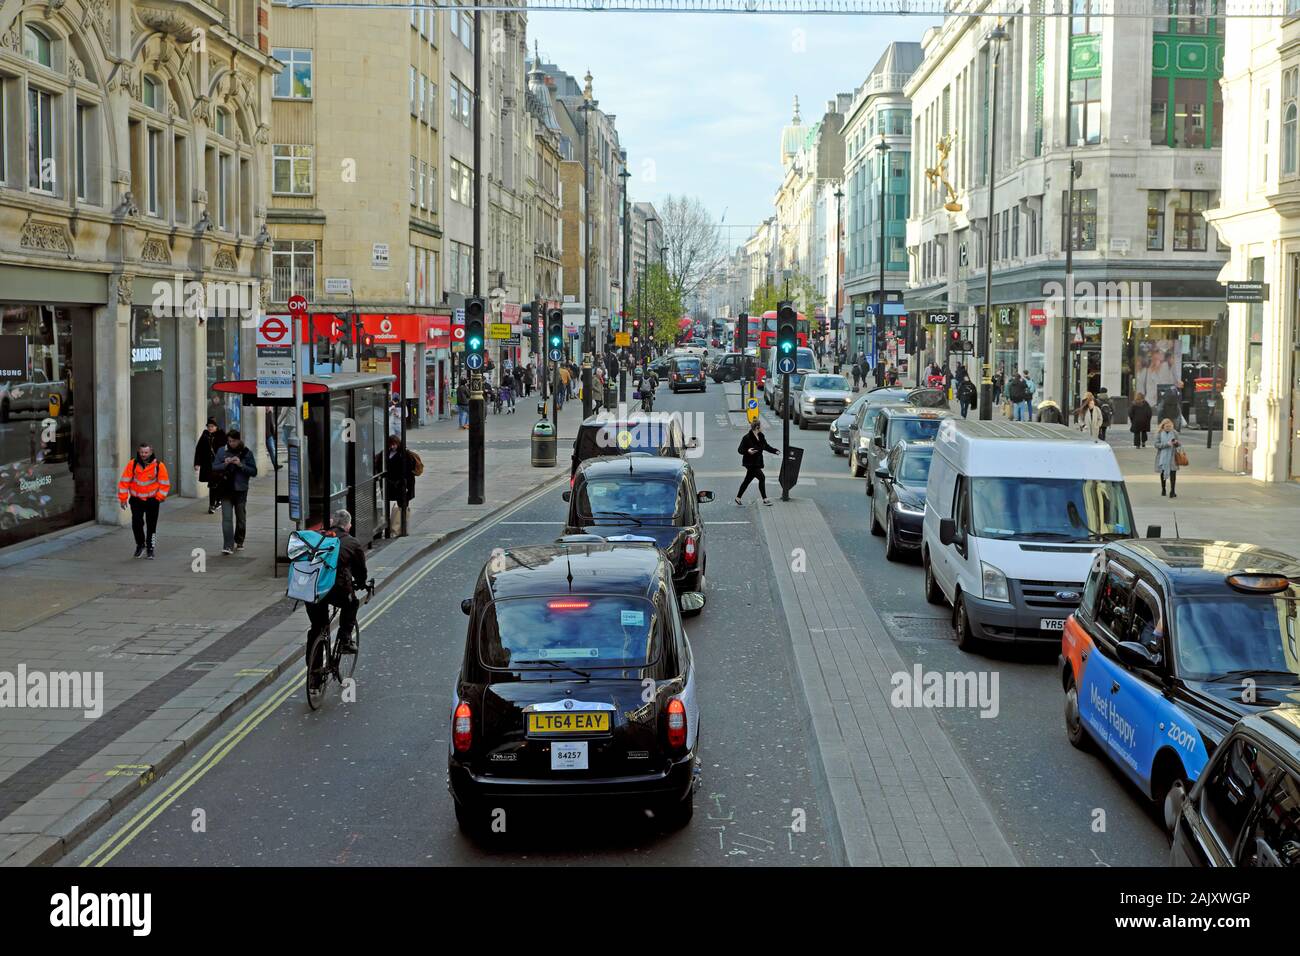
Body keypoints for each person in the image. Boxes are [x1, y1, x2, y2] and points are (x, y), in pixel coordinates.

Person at [305, 509, 369, 656]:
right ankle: (345, 640)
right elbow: (360, 571)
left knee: (317, 627)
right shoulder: (352, 542)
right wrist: (361, 583)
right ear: (348, 526)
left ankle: (314, 672)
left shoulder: (318, 538)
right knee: (352, 603)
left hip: (313, 589)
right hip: (336, 590)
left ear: (332, 523)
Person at [118, 442, 170, 559]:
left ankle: (150, 548)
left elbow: (165, 484)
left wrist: (159, 498)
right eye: (141, 452)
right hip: (136, 500)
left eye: (146, 452)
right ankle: (140, 545)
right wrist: (123, 499)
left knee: (152, 526)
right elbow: (124, 482)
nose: (143, 454)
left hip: (152, 500)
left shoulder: (159, 465)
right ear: (138, 452)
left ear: (151, 452)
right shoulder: (133, 464)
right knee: (137, 524)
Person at [211, 429, 257, 556]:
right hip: (225, 489)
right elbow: (214, 467)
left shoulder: (247, 453)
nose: (231, 443)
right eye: (229, 441)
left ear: (239, 440)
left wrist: (241, 465)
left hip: (240, 490)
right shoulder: (222, 451)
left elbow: (254, 471)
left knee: (241, 518)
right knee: (226, 518)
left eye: (234, 441)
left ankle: (239, 540)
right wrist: (224, 464)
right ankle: (228, 545)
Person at [734, 418, 779, 506]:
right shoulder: (746, 438)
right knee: (762, 478)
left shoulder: (761, 436)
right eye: (761, 426)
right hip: (750, 463)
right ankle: (765, 499)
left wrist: (775, 451)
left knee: (747, 480)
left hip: (757, 462)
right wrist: (748, 451)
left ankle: (738, 498)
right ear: (757, 427)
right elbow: (740, 450)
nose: (763, 427)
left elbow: (766, 446)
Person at [381, 434, 416, 535]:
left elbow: (409, 471)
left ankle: (403, 529)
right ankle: (396, 529)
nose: (393, 447)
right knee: (396, 505)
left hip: (402, 485)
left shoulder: (404, 454)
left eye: (394, 444)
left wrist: (407, 486)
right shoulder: (386, 453)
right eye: (391, 445)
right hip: (391, 484)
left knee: (403, 505)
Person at [193, 419, 226, 514]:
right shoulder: (205, 435)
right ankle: (211, 506)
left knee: (218, 484)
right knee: (212, 484)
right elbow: (198, 449)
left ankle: (218, 500)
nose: (210, 428)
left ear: (216, 427)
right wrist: (197, 463)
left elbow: (226, 450)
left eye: (212, 426)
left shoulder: (221, 435)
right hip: (208, 464)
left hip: (219, 464)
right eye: (209, 426)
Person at [1154, 418, 1182, 498]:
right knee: (1163, 473)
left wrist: (1176, 443)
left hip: (1173, 457)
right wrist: (1167, 444)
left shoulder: (1175, 433)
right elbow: (1156, 445)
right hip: (1162, 457)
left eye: (1170, 426)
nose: (1169, 428)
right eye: (1167, 426)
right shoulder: (1160, 433)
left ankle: (1172, 491)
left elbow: (1179, 444)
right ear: (1163, 426)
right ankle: (1163, 489)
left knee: (1173, 474)